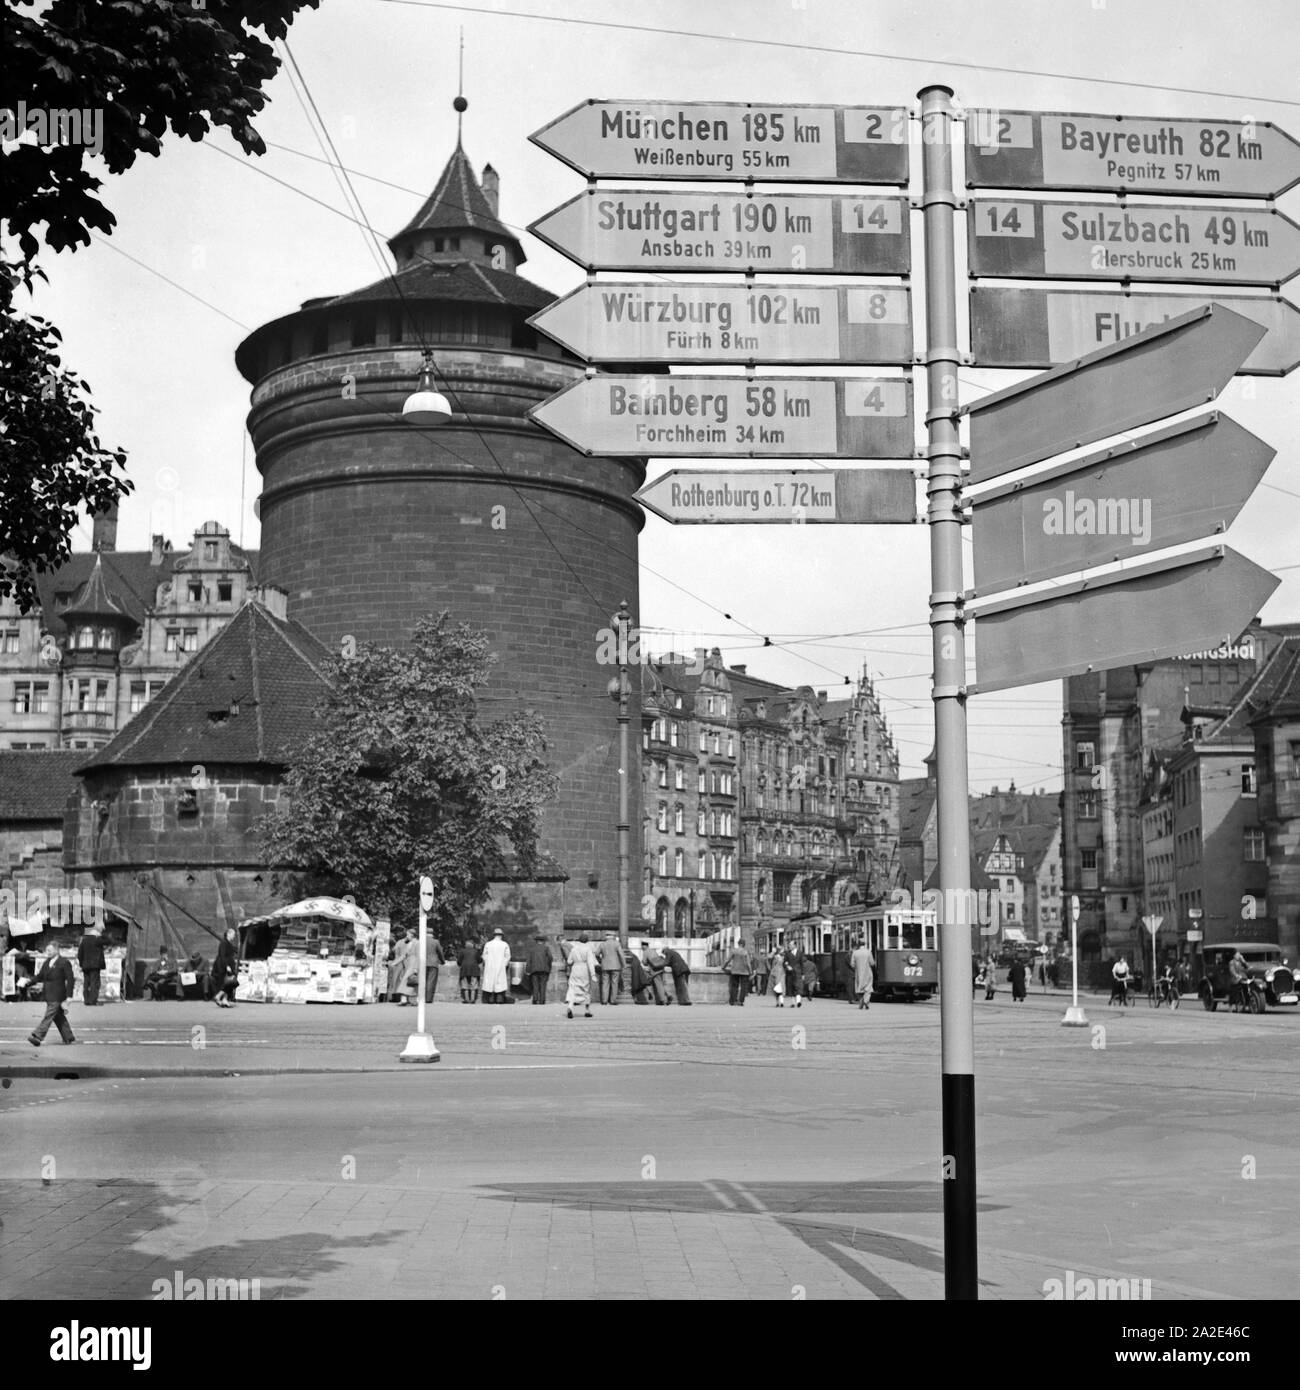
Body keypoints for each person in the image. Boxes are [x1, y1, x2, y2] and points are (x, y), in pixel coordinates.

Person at [27, 941, 76, 1047]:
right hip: (48, 994)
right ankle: (68, 1036)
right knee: (58, 1016)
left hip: (58, 994)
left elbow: (70, 979)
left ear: (56, 950)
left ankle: (38, 1036)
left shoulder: (64, 962)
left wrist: (69, 996)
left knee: (49, 1015)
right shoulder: (47, 962)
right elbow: (40, 976)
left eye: (49, 950)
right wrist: (28, 982)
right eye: (47, 950)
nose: (47, 952)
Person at [565, 933, 596, 1018]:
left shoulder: (574, 949)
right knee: (585, 989)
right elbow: (590, 962)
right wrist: (593, 974)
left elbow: (569, 961)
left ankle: (570, 1006)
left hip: (575, 969)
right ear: (587, 941)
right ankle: (587, 1010)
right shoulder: (588, 949)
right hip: (584, 969)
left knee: (573, 988)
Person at [212, 927, 240, 1008]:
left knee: (229, 983)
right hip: (224, 967)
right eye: (233, 935)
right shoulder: (224, 943)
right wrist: (227, 966)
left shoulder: (228, 943)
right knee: (229, 983)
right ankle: (219, 996)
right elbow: (222, 955)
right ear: (228, 934)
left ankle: (225, 1000)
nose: (234, 936)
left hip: (228, 966)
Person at [77, 927, 106, 1006]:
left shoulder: (84, 940)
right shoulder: (97, 940)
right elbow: (109, 941)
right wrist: (101, 936)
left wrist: (81, 964)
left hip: (85, 965)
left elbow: (80, 954)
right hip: (95, 965)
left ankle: (86, 1000)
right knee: (94, 983)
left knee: (86, 983)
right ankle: (93, 1000)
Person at [481, 927, 511, 1004]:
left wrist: (488, 962)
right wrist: (504, 964)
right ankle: (499, 999)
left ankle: (491, 999)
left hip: (490, 966)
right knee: (500, 983)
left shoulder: (488, 944)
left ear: (494, 935)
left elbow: (484, 955)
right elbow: (508, 956)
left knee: (490, 982)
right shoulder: (504, 944)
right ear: (501, 935)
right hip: (500, 966)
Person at [724, 937, 752, 1006]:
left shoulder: (734, 951)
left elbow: (728, 960)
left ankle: (733, 1001)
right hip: (744, 972)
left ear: (738, 944)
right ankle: (740, 1001)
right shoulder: (745, 952)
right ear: (744, 944)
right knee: (743, 987)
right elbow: (748, 963)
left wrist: (723, 966)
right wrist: (750, 971)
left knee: (734, 986)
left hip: (735, 971)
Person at [526, 933, 553, 1005]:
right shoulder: (546, 948)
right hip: (544, 969)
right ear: (543, 941)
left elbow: (528, 961)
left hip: (534, 969)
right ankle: (542, 1000)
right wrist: (548, 965)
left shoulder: (531, 949)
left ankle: (535, 999)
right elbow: (550, 958)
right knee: (543, 985)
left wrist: (528, 970)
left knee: (535, 985)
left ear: (536, 941)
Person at [598, 933, 625, 1005]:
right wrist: (623, 964)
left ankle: (604, 1000)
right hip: (615, 966)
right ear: (613, 937)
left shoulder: (602, 944)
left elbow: (596, 954)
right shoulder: (616, 944)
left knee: (605, 983)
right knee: (614, 983)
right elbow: (621, 955)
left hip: (605, 966)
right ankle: (613, 1000)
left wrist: (601, 960)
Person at [850, 937, 876, 1010]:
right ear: (865, 944)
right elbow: (872, 963)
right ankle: (866, 1001)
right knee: (868, 988)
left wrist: (857, 967)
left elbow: (852, 964)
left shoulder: (855, 953)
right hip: (868, 973)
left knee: (859, 988)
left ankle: (861, 1001)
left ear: (858, 944)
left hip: (858, 973)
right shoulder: (868, 952)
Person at [423, 931, 447, 1004]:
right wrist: (443, 961)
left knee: (423, 981)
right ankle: (428, 999)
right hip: (433, 963)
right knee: (431, 981)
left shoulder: (421, 941)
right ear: (432, 934)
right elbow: (440, 952)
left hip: (423, 962)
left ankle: (422, 997)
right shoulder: (435, 941)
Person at [385, 933, 409, 1002]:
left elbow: (394, 950)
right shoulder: (405, 943)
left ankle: (393, 997)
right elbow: (404, 954)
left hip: (397, 962)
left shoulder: (398, 942)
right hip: (402, 962)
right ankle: (399, 997)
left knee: (394, 980)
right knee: (400, 981)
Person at [784, 938, 807, 1008]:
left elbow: (802, 964)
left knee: (798, 987)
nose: (789, 946)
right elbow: (784, 962)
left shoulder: (800, 953)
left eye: (790, 945)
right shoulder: (787, 953)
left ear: (795, 945)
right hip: (790, 973)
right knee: (791, 988)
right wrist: (787, 966)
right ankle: (793, 1003)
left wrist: (803, 974)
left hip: (798, 973)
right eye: (789, 945)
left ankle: (799, 1001)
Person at [457, 937, 481, 1004]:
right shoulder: (476, 951)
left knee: (465, 985)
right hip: (474, 969)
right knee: (474, 984)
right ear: (472, 945)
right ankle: (473, 999)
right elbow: (480, 960)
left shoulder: (462, 951)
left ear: (465, 945)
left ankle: (467, 999)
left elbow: (459, 961)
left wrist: (461, 964)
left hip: (464, 969)